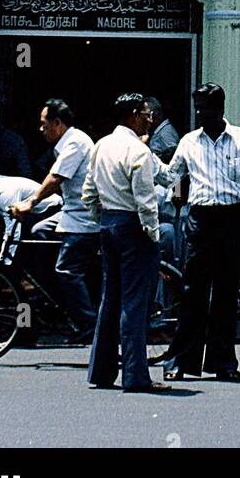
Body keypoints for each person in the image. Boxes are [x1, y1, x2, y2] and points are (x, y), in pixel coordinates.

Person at [163, 84, 240, 382]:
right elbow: (174, 175)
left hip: (231, 218)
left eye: (207, 108)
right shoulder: (188, 142)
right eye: (198, 107)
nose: (201, 113)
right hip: (199, 219)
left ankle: (223, 362)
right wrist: (177, 202)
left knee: (226, 293)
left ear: (221, 108)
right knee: (192, 292)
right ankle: (180, 361)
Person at [81, 92, 170, 394]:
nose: (150, 118)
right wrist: (153, 234)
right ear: (133, 114)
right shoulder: (138, 151)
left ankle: (101, 371)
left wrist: (101, 218)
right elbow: (146, 200)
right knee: (134, 303)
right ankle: (135, 375)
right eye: (146, 113)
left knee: (110, 298)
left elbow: (88, 191)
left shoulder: (101, 145)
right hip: (134, 227)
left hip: (109, 223)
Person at [10, 99, 99, 342]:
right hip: (70, 210)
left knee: (67, 270)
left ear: (57, 123)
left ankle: (88, 322)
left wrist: (31, 202)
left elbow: (56, 177)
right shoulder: (64, 144)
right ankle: (50, 294)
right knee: (40, 231)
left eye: (44, 124)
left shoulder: (75, 142)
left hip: (84, 216)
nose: (41, 130)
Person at [147, 98, 180, 165]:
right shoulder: (159, 130)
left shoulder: (166, 132)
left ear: (156, 114)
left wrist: (156, 159)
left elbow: (174, 153)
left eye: (148, 115)